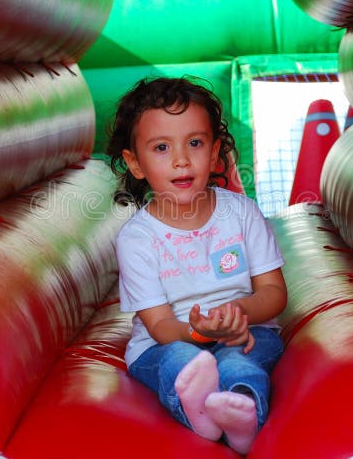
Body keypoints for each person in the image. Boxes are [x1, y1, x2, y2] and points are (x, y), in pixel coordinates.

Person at [106, 76, 288, 454]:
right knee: (180, 361)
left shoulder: (241, 213)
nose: (181, 159)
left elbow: (273, 293)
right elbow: (159, 325)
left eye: (195, 142)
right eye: (160, 147)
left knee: (240, 364)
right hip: (166, 342)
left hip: (245, 331)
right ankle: (200, 417)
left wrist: (239, 312)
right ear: (135, 163)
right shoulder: (138, 238)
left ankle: (242, 416)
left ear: (215, 150)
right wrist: (202, 333)